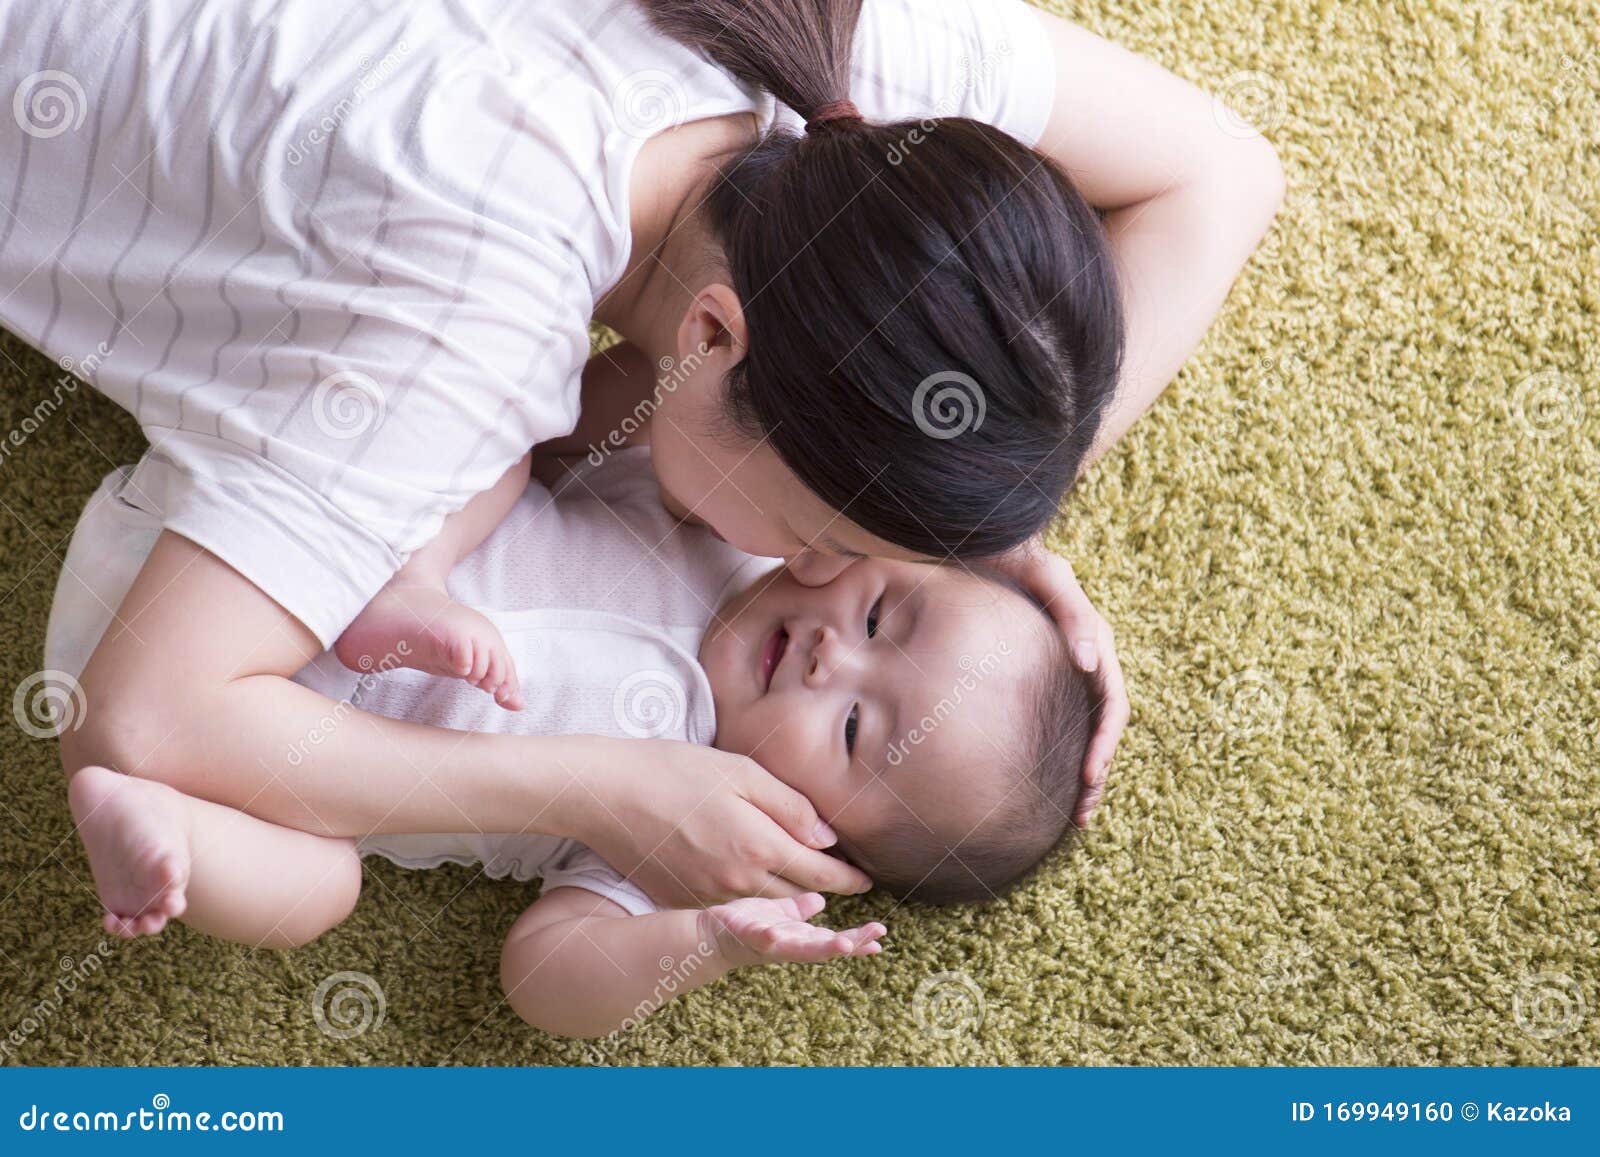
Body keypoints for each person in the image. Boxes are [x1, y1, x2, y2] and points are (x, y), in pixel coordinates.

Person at [0, 0, 1283, 906]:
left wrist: (983, 502)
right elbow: (145, 721)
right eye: (837, 536)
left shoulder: (840, 62)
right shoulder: (463, 342)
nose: (811, 572)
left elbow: (1223, 175)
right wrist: (607, 794)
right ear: (712, 339)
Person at [57, 446, 1092, 1039]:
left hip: (182, 738)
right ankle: (408, 576)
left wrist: (705, 940)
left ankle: (168, 830)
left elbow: (544, 977)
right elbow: (553, 422)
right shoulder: (731, 516)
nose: (832, 658)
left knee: (317, 886)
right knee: (500, 445)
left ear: (821, 836)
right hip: (248, 544)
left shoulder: (704, 830)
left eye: (859, 728)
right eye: (882, 616)